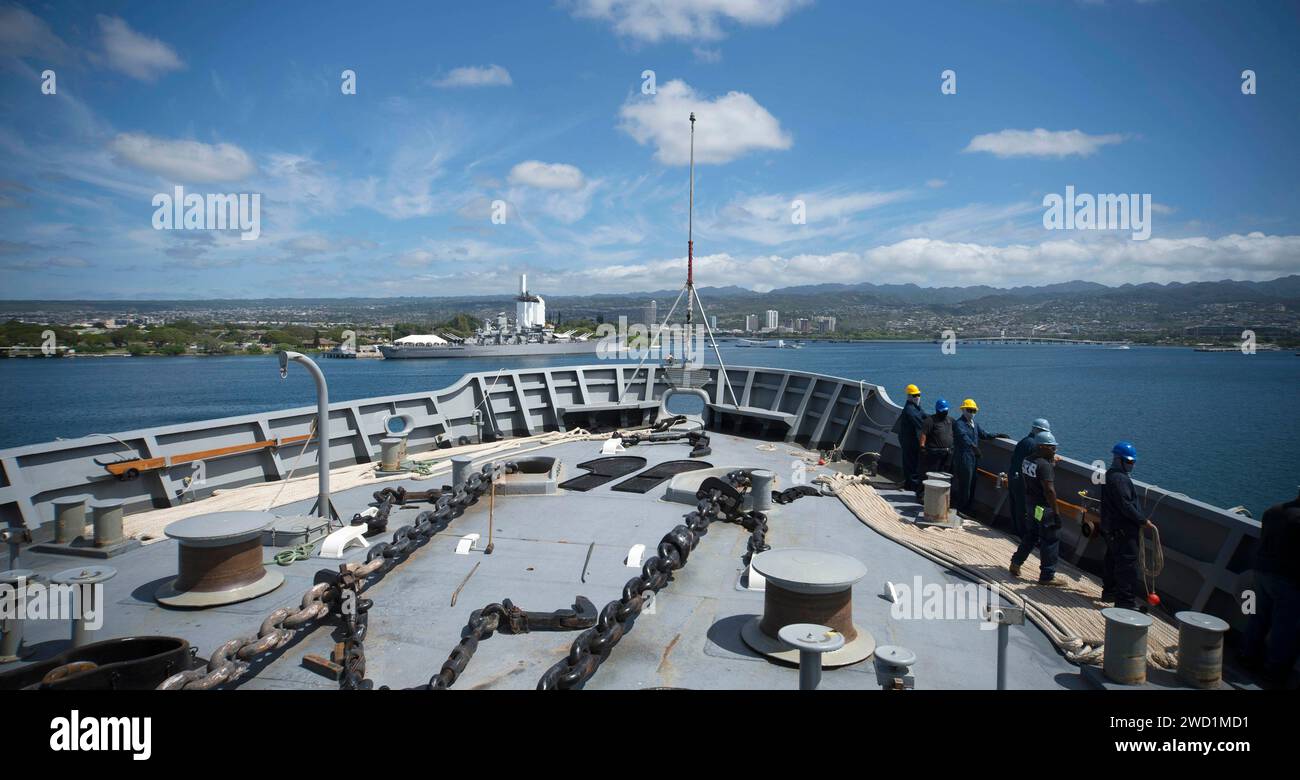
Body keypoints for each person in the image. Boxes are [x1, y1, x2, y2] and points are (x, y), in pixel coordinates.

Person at [1241, 488, 1300, 689]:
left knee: (1256, 618)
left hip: (1261, 573)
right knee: (1285, 627)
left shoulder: (1272, 511)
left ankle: (1247, 657)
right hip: (1288, 580)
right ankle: (1274, 672)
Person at [1099, 441, 1150, 610]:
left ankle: (1109, 592)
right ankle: (1125, 602)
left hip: (1111, 528)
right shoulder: (1120, 479)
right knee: (1127, 566)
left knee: (1112, 560)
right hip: (1122, 530)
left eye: (1133, 462)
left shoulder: (1110, 475)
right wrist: (1142, 520)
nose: (1132, 465)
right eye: (1129, 461)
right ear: (1119, 460)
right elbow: (1125, 505)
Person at [1010, 431, 1061, 585]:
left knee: (1032, 534)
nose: (1054, 450)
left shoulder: (1028, 460)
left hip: (1032, 505)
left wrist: (1051, 462)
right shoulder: (1045, 466)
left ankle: (1016, 562)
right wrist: (1056, 512)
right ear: (1042, 447)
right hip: (1044, 509)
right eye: (1052, 448)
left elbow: (1034, 475)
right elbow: (1049, 490)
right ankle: (1047, 575)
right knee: (1050, 539)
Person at [950, 398, 1007, 516]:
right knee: (965, 484)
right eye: (969, 410)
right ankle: (961, 509)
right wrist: (974, 447)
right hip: (964, 458)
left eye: (974, 411)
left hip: (973, 459)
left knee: (973, 483)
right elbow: (963, 438)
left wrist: (997, 435)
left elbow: (984, 434)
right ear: (963, 410)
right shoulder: (959, 424)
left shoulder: (974, 424)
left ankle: (968, 508)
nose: (972, 413)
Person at [1007, 418, 1052, 538]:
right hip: (1022, 481)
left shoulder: (1024, 441)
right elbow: (1039, 462)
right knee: (1023, 508)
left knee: (1015, 506)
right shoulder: (1034, 445)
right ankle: (1022, 535)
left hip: (1013, 476)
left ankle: (1015, 531)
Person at [893, 383, 927, 495]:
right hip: (908, 440)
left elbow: (924, 416)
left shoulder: (916, 407)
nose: (917, 397)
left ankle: (910, 484)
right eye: (915, 395)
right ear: (909, 397)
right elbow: (920, 423)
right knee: (910, 463)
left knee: (913, 462)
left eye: (918, 395)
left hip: (912, 439)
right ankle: (911, 486)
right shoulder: (910, 410)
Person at [917, 398, 954, 499]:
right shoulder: (930, 421)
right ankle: (922, 494)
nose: (944, 412)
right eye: (943, 411)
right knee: (930, 474)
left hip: (947, 453)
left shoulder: (950, 420)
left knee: (943, 475)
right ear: (937, 410)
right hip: (934, 453)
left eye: (946, 410)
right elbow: (924, 434)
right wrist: (922, 447)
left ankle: (938, 496)